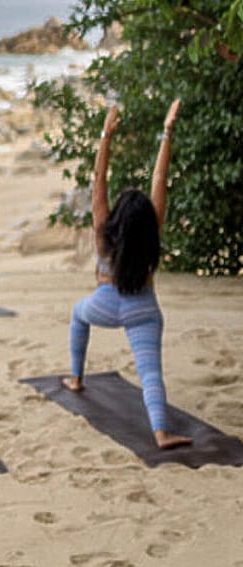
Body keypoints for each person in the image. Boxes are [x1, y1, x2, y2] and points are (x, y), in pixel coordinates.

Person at [62, 100, 192, 450]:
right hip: (143, 310)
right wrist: (166, 132)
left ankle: (75, 377)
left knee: (78, 315)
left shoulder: (104, 231)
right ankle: (161, 433)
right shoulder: (153, 231)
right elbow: (160, 179)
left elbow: (99, 180)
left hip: (103, 305)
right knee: (150, 373)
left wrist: (106, 134)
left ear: (118, 216)